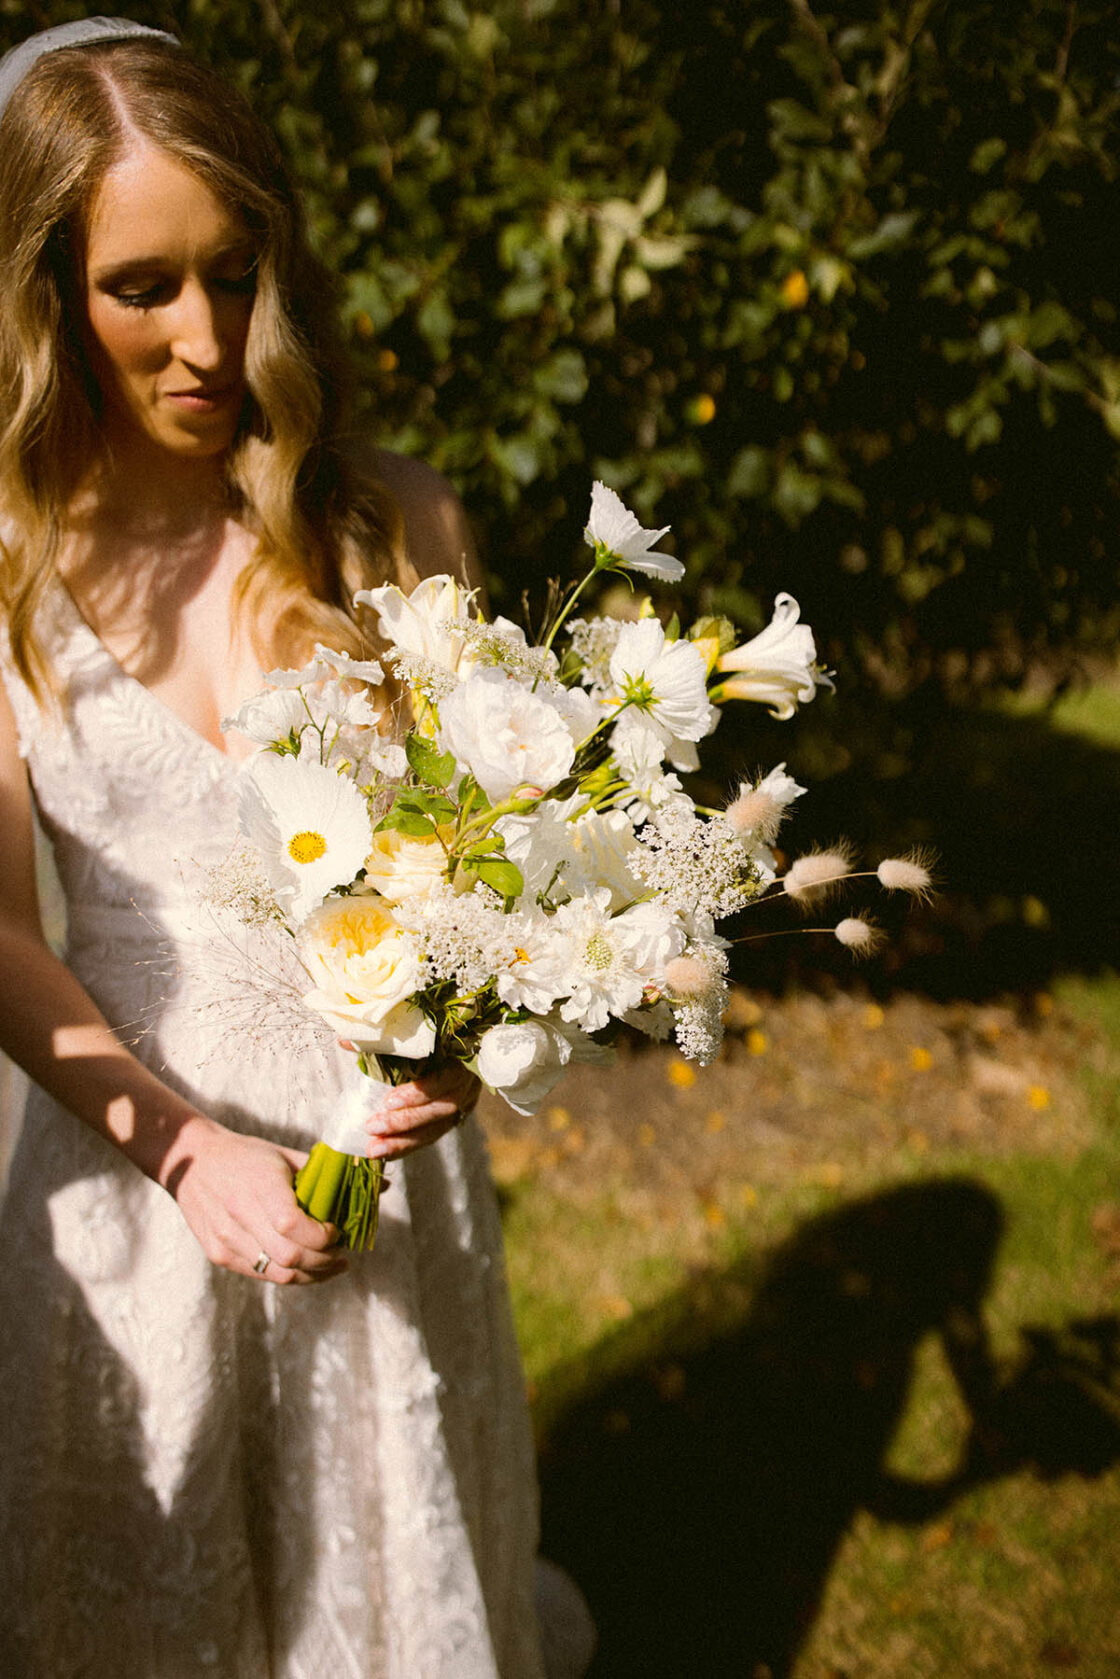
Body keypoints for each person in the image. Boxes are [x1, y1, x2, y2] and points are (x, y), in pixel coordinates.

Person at [0, 19, 592, 1677]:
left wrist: (475, 1030)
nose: (204, 336)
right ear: (46, 295)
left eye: (236, 269)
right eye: (141, 287)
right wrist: (189, 1158)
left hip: (391, 1174)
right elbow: (0, 935)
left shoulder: (393, 524)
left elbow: (481, 867)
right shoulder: (3, 574)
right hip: (134, 1167)